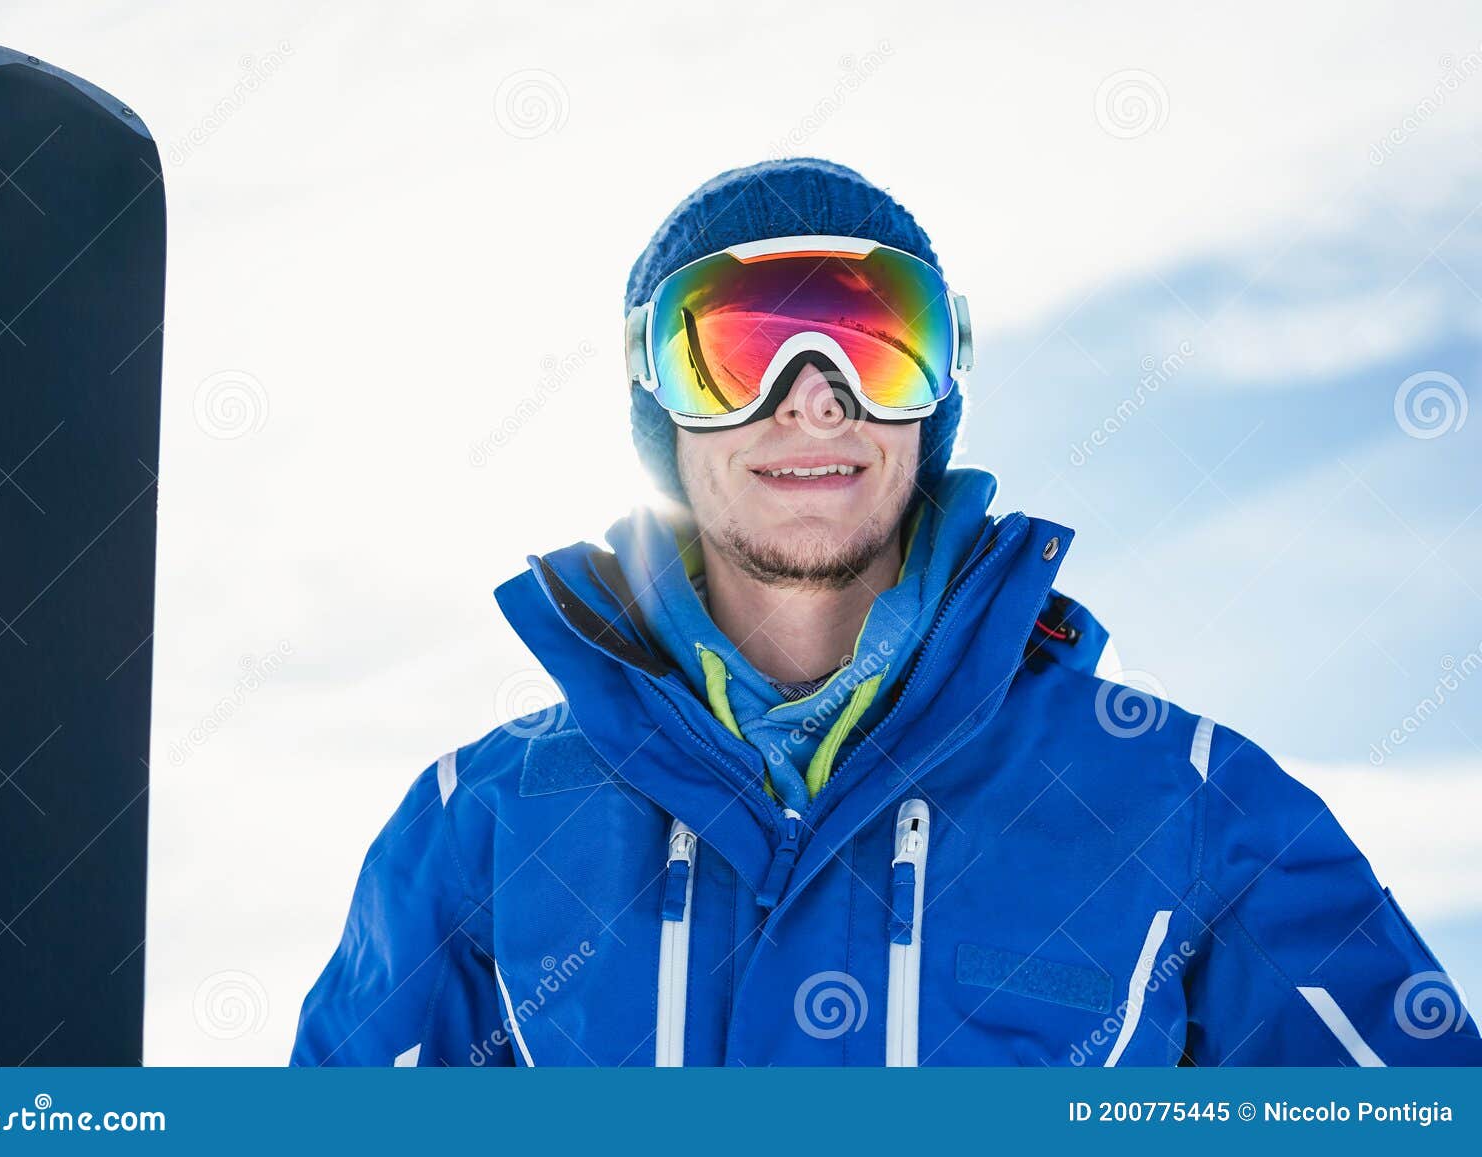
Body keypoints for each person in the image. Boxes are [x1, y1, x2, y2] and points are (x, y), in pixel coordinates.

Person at [291, 158, 1479, 1067]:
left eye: (874, 340)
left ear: (942, 387)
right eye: (739, 350)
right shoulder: (482, 828)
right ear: (655, 399)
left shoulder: (1185, 801)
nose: (813, 404)